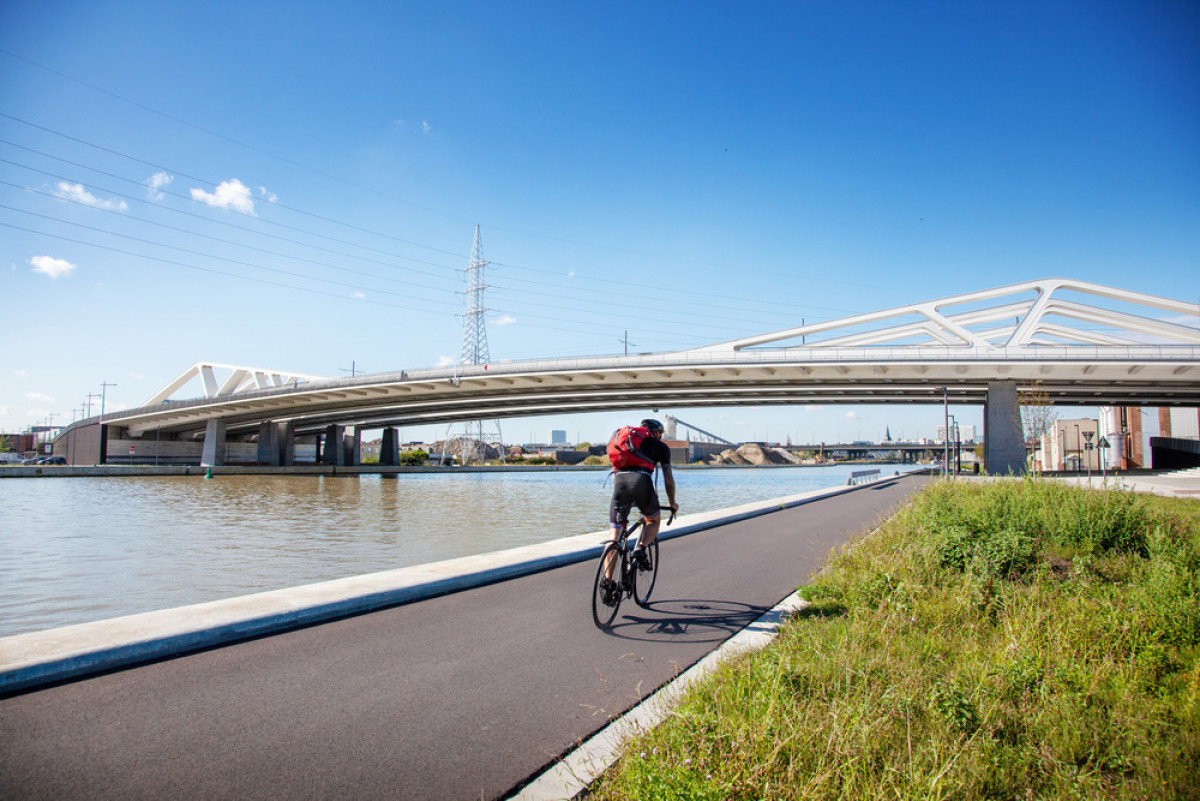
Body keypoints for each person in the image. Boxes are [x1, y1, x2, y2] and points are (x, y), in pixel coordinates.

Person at [600, 418, 678, 603]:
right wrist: (672, 503)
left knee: (615, 533)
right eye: (660, 434)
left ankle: (607, 583)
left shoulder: (623, 441)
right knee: (653, 520)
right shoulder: (659, 446)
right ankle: (641, 549)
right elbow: (668, 479)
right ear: (656, 432)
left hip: (619, 484)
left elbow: (615, 471)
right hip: (642, 482)